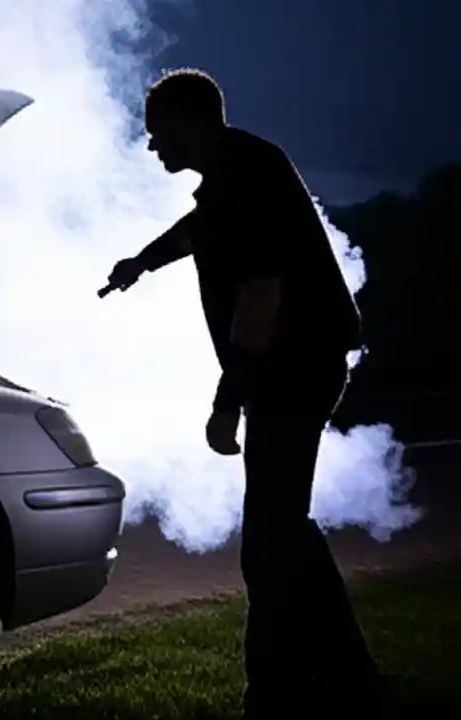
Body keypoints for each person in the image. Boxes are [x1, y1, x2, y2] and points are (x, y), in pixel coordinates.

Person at [102, 68, 384, 716]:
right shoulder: (238, 172)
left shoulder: (245, 177)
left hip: (294, 371)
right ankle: (346, 678)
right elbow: (197, 230)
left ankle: (278, 693)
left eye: (158, 132)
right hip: (292, 370)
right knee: (287, 534)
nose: (152, 146)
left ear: (190, 121)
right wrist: (141, 263)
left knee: (267, 544)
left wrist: (227, 402)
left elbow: (260, 297)